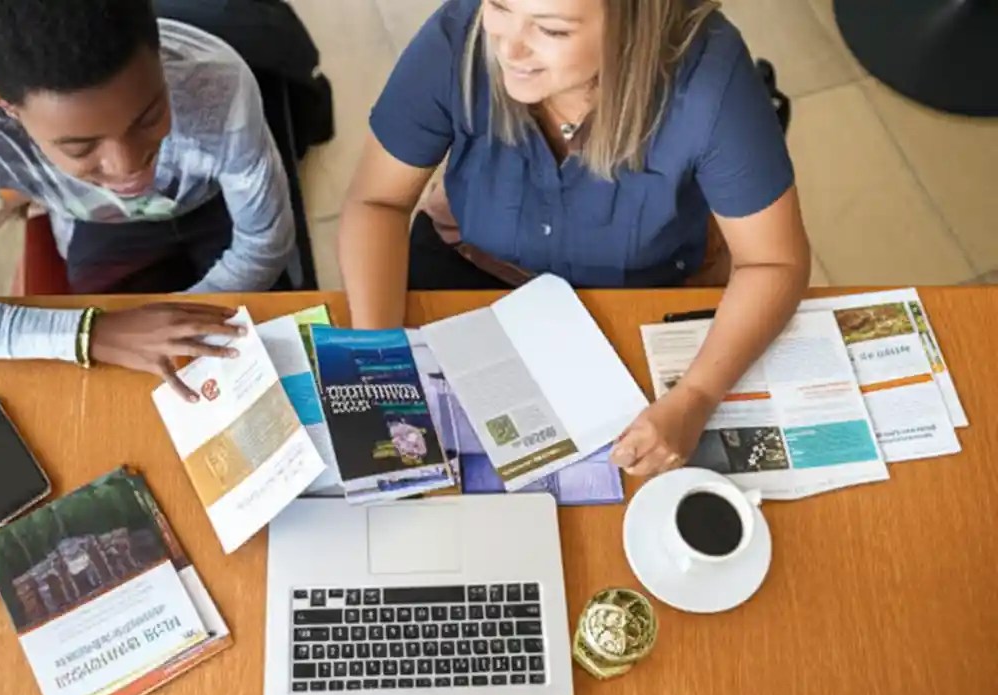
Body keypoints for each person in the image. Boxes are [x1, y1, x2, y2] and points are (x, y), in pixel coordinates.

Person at [337, 0, 811, 476]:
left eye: (552, 30)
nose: (508, 47)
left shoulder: (710, 76)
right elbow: (378, 202)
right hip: (472, 266)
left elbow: (773, 263)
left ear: (631, 24)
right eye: (499, 6)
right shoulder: (461, 34)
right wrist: (378, 362)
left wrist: (697, 395)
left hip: (637, 297)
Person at [0, 0, 296, 399]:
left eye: (148, 116)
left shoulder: (218, 84)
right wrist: (95, 333)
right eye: (80, 148)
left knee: (275, 337)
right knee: (111, 390)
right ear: (5, 105)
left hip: (213, 204)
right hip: (104, 225)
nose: (129, 169)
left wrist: (185, 328)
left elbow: (264, 243)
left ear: (158, 47)